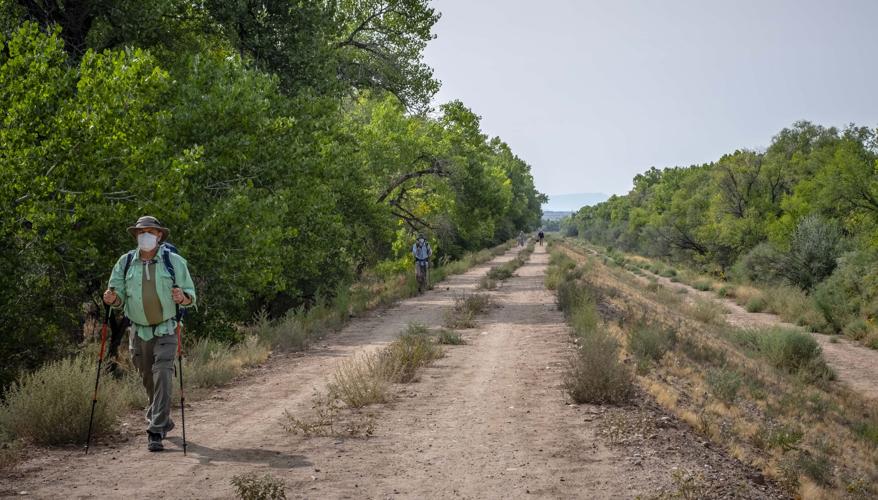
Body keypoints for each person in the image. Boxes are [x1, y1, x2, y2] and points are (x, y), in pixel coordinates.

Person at [102, 216, 196, 452]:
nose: (146, 236)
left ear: (159, 235)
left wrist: (182, 298)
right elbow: (117, 294)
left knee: (163, 374)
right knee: (148, 379)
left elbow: (190, 296)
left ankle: (155, 431)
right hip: (139, 330)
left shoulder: (173, 261)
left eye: (151, 232)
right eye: (142, 232)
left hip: (167, 328)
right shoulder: (125, 263)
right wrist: (112, 299)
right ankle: (162, 417)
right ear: (136, 236)